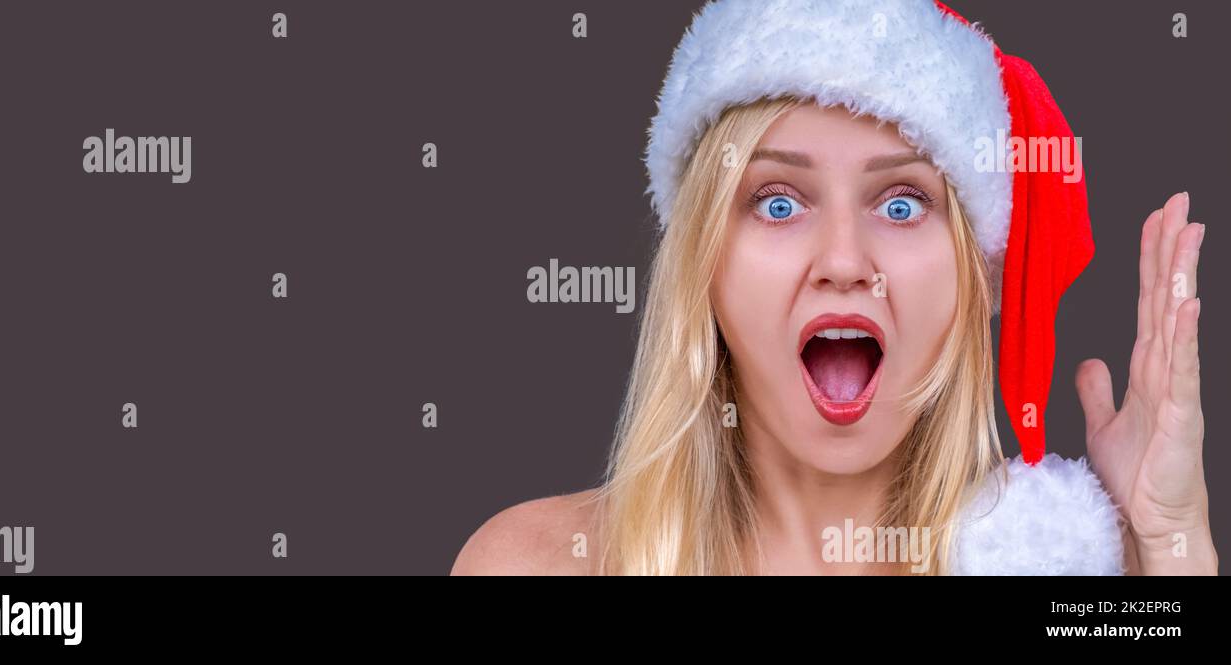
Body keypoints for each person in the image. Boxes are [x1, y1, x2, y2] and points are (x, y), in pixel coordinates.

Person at [452, 0, 1215, 575]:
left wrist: (1170, 542)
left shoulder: (1074, 581)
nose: (845, 260)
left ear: (974, 276)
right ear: (703, 265)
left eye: (902, 202)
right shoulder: (532, 563)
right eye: (778, 202)